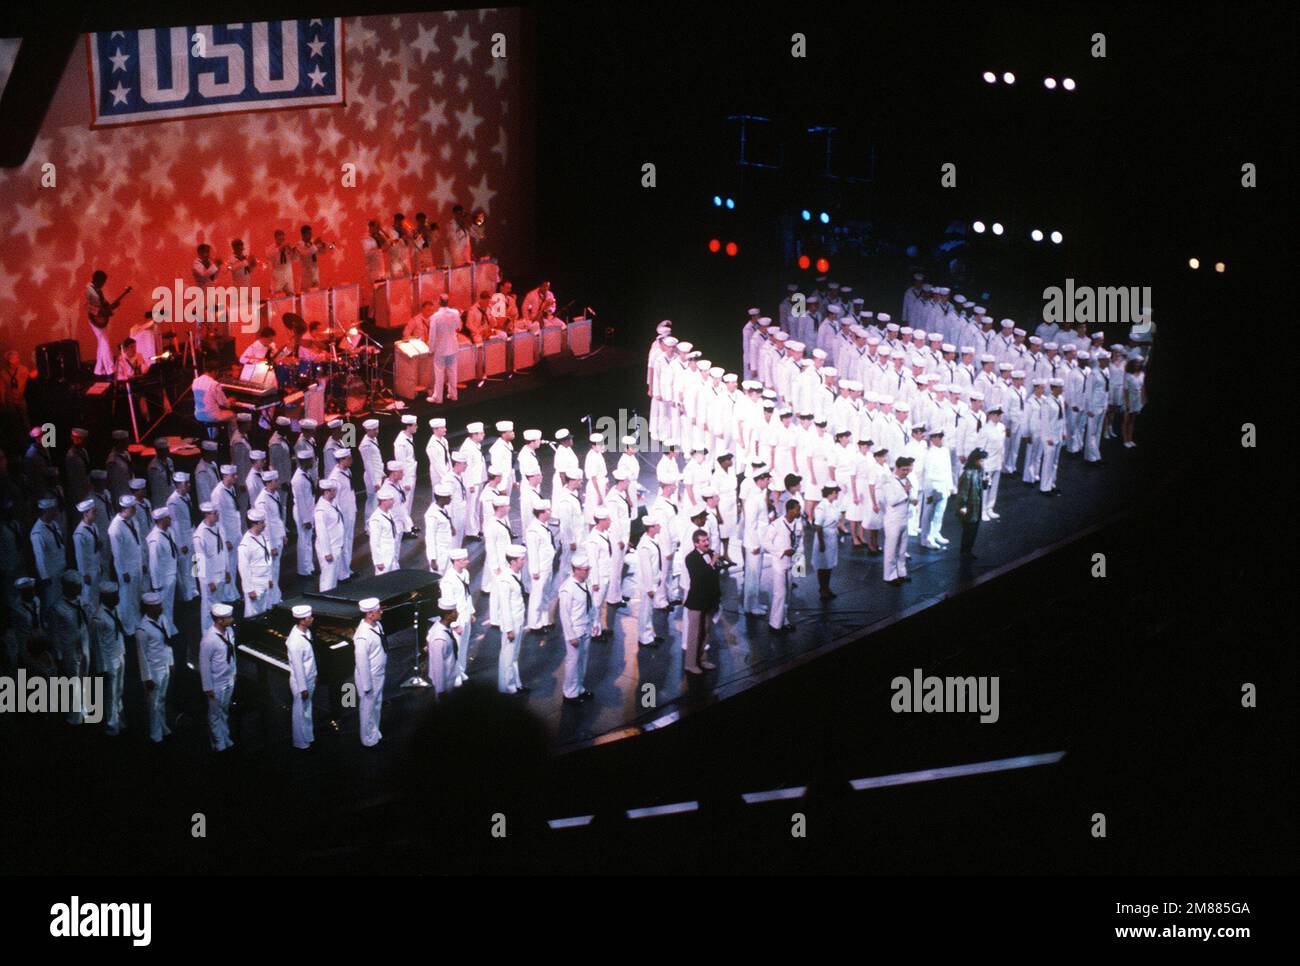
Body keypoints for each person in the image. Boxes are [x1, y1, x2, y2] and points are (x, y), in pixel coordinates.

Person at [683, 529, 722, 673]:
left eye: (707, 539)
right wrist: (712, 563)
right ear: (696, 543)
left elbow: (715, 576)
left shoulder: (711, 553)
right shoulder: (691, 558)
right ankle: (690, 664)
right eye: (703, 541)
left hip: (709, 600)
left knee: (706, 631)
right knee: (694, 634)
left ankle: (702, 660)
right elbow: (700, 577)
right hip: (697, 601)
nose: (707, 543)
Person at [557, 552, 596, 701]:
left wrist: (593, 623)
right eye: (585, 570)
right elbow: (565, 616)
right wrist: (570, 636)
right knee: (573, 663)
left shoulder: (585, 582)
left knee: (583, 660)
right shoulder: (567, 588)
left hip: (586, 626)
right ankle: (570, 693)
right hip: (575, 630)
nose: (588, 572)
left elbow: (590, 605)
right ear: (576, 569)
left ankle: (579, 688)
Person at [200, 602, 238, 751]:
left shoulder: (229, 632)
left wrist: (234, 672)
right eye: (228, 618)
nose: (232, 619)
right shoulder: (209, 640)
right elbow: (204, 665)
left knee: (224, 710)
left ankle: (225, 736)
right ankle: (217, 742)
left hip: (228, 679)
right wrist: (207, 687)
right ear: (219, 620)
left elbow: (232, 653)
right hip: (216, 682)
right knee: (215, 714)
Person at [91, 581, 127, 736]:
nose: (117, 598)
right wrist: (103, 668)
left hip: (119, 655)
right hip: (109, 661)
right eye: (114, 596)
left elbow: (118, 633)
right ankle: (111, 726)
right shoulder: (98, 618)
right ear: (105, 597)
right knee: (111, 693)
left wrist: (123, 652)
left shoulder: (115, 610)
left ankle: (118, 718)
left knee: (119, 690)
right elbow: (97, 646)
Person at [137, 594, 174, 742]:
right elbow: (142, 656)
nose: (161, 607)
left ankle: (163, 727)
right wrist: (147, 678)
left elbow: (167, 642)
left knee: (162, 700)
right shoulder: (142, 629)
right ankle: (155, 734)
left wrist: (171, 662)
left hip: (164, 665)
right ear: (149, 608)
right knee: (153, 703)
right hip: (153, 670)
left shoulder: (163, 619)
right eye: (157, 606)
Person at [762, 498, 803, 633]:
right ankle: (775, 624)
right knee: (779, 593)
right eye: (797, 509)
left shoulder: (798, 524)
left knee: (788, 595)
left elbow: (800, 544)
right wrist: (782, 552)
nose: (799, 512)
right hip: (779, 562)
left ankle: (784, 621)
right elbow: (766, 543)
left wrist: (799, 568)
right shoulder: (776, 525)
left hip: (791, 563)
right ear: (790, 510)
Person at [492, 545, 529, 693]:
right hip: (511, 622)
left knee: (514, 655)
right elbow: (505, 606)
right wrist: (508, 629)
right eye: (522, 559)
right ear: (513, 561)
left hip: (518, 619)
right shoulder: (505, 580)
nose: (524, 562)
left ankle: (515, 683)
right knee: (508, 656)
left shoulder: (516, 574)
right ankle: (506, 687)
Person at [353, 598, 388, 747]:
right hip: (369, 677)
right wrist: (367, 685)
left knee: (376, 706)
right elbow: (362, 662)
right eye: (378, 611)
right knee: (367, 709)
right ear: (369, 614)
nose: (381, 612)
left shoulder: (377, 625)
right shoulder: (363, 636)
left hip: (378, 674)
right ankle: (368, 740)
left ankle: (374, 733)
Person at [882, 456, 918, 585]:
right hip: (893, 520)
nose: (906, 472)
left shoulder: (906, 479)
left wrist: (913, 499)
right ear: (896, 468)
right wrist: (905, 492)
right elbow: (891, 501)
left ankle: (901, 572)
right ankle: (890, 576)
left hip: (904, 518)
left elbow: (909, 494)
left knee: (902, 549)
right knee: (891, 549)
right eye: (903, 470)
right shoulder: (888, 482)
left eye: (908, 470)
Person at [145, 506, 180, 636]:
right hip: (163, 579)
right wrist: (156, 585)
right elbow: (154, 564)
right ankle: (164, 631)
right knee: (163, 607)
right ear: (161, 520)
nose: (170, 519)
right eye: (168, 518)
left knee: (169, 606)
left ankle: (169, 626)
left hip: (171, 574)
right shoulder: (155, 539)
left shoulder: (167, 531)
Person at [286, 604, 317, 749]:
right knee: (299, 713)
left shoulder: (306, 633)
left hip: (309, 677)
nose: (312, 619)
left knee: (307, 709)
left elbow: (309, 659)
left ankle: (308, 737)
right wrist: (303, 688)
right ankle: (300, 743)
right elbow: (298, 667)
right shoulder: (295, 641)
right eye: (309, 618)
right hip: (301, 682)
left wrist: (315, 674)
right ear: (302, 621)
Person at [238, 508, 275, 616]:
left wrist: (270, 578)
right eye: (262, 522)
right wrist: (249, 589)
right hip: (254, 582)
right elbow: (243, 568)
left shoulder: (263, 537)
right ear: (254, 524)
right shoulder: (245, 544)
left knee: (263, 612)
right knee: (252, 614)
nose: (264, 525)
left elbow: (267, 559)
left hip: (264, 579)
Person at [427, 295, 463, 403]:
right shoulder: (455, 313)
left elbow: (432, 335)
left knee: (439, 372)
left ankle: (438, 397)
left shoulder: (435, 316)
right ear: (448, 302)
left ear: (439, 302)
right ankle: (453, 395)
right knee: (452, 371)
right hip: (453, 345)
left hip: (440, 347)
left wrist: (430, 349)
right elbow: (459, 327)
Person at [634, 516, 664, 646]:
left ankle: (649, 634)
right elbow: (646, 569)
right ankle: (644, 638)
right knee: (645, 610)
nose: (660, 527)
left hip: (653, 581)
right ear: (651, 528)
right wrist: (650, 588)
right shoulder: (645, 545)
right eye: (657, 525)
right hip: (647, 584)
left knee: (649, 610)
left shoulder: (652, 540)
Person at [810, 484, 844, 599]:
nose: (838, 494)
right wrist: (821, 543)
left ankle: (826, 587)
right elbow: (818, 526)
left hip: (832, 536)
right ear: (832, 492)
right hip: (824, 537)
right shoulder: (822, 506)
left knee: (829, 565)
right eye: (836, 492)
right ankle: (822, 589)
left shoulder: (832, 505)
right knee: (822, 565)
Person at [314, 479, 347, 591]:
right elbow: (321, 533)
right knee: (328, 579)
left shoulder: (332, 503)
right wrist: (327, 552)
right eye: (334, 491)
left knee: (333, 578)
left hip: (336, 545)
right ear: (327, 491)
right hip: (330, 548)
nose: (335, 493)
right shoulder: (321, 510)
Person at [955, 448, 987, 558]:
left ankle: (968, 549)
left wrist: (985, 483)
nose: (982, 463)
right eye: (981, 460)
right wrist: (962, 506)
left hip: (977, 506)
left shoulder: (979, 472)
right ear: (975, 460)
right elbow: (963, 492)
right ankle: (965, 551)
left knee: (974, 529)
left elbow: (980, 487)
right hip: (969, 507)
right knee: (968, 530)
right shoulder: (968, 474)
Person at [426, 597, 460, 695]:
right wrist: (441, 691)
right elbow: (438, 665)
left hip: (451, 676)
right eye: (455, 612)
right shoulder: (439, 639)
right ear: (447, 615)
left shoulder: (443, 628)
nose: (457, 613)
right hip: (445, 682)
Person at [1122, 355, 1145, 448]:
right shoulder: (1127, 375)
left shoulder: (1142, 374)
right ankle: (1125, 440)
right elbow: (1126, 390)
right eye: (1136, 363)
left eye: (1139, 363)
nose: (1137, 365)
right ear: (1132, 363)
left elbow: (1143, 388)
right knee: (1126, 420)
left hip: (1137, 399)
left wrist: (1143, 399)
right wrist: (1127, 403)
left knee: (1133, 420)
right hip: (1130, 398)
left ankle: (1130, 439)